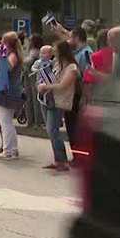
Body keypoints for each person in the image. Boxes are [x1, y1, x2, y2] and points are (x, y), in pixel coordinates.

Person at [38, 41, 79, 171]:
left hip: (60, 101)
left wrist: (46, 86)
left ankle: (62, 160)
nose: (53, 51)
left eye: (55, 49)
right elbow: (51, 76)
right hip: (48, 99)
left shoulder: (71, 67)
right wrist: (42, 83)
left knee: (53, 129)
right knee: (51, 131)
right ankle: (57, 159)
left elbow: (63, 85)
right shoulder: (56, 62)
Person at [0, 32, 25, 160]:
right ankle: (14, 149)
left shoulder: (12, 55)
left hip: (7, 90)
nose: (0, 42)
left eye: (2, 41)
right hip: (7, 88)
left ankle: (7, 151)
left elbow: (9, 68)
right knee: (8, 122)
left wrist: (1, 58)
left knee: (5, 122)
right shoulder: (10, 54)